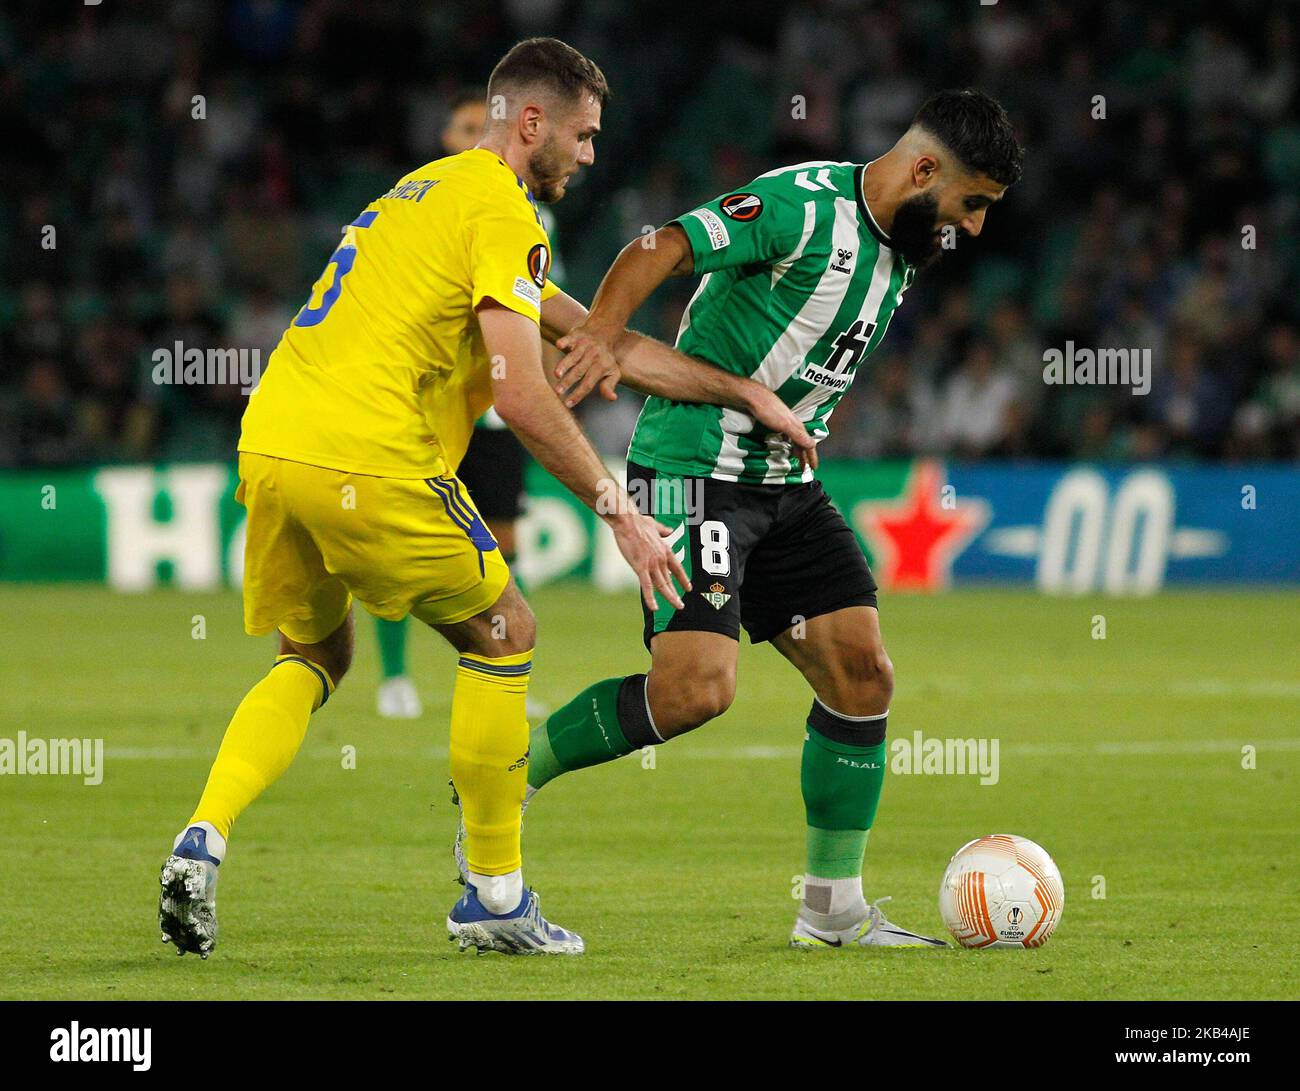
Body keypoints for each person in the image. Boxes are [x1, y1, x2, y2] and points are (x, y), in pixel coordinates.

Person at [157, 37, 814, 958]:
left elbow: (595, 338)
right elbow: (520, 390)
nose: (591, 155)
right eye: (582, 136)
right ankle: (495, 897)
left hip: (274, 442)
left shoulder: (426, 194)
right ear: (532, 123)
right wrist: (616, 507)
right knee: (506, 629)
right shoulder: (504, 210)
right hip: (369, 451)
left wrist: (742, 392)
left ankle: (202, 838)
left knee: (312, 652)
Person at [515, 89, 1024, 950]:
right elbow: (662, 244)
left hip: (786, 479)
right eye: (970, 203)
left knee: (864, 674)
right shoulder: (802, 205)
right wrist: (602, 328)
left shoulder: (904, 243)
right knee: (694, 692)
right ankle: (505, 779)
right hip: (693, 466)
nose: (971, 229)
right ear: (924, 169)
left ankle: (832, 910)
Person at [373, 87, 555, 721]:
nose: (476, 130)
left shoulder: (531, 213)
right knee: (399, 546)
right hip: (435, 404)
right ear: (450, 139)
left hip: (500, 412)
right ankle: (394, 677)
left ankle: (502, 669)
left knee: (502, 544)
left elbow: (534, 312)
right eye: (465, 124)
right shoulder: (431, 202)